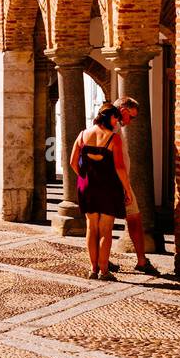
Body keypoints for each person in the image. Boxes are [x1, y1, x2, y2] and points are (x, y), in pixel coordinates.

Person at [70, 103, 131, 280]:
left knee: (91, 227)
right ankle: (104, 271)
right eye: (115, 118)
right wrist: (126, 189)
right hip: (108, 187)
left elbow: (73, 162)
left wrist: (84, 176)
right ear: (109, 117)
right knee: (106, 230)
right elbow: (119, 167)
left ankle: (93, 269)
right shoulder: (114, 138)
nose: (117, 121)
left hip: (87, 187)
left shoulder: (82, 135)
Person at [110, 96, 160, 276]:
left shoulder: (104, 127)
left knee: (103, 223)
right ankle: (141, 260)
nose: (131, 121)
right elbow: (118, 164)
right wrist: (125, 187)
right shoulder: (113, 129)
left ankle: (102, 261)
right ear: (123, 111)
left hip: (110, 182)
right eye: (131, 116)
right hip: (118, 182)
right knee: (135, 219)